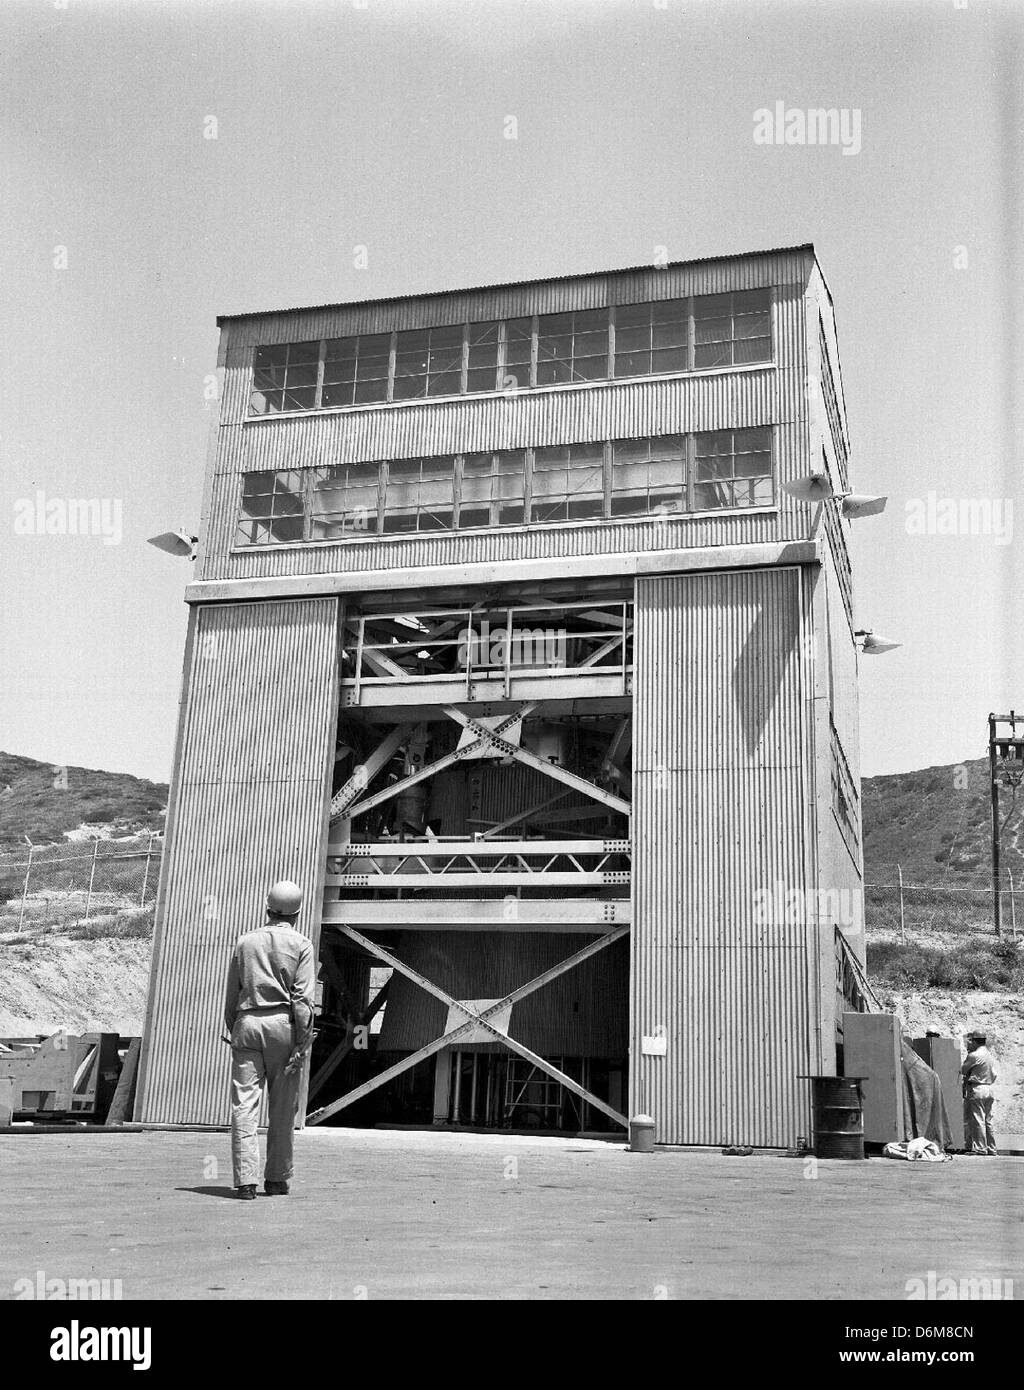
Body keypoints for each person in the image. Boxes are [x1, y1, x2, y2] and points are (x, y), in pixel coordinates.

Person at [223, 880, 316, 1199]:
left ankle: (245, 1181)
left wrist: (237, 1028)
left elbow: (231, 995)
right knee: (281, 1108)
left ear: (267, 907)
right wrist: (302, 1044)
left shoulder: (245, 942)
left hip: (247, 1023)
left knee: (244, 1105)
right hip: (283, 1027)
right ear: (297, 914)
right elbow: (302, 1000)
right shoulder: (302, 945)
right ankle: (276, 1179)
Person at [960, 1029, 998, 1156]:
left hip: (977, 1089)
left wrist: (969, 1052)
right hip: (989, 1088)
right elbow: (995, 1074)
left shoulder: (974, 1055)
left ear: (975, 1041)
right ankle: (992, 1148)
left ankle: (981, 1148)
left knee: (978, 1119)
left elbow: (963, 1070)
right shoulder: (989, 1055)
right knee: (988, 1120)